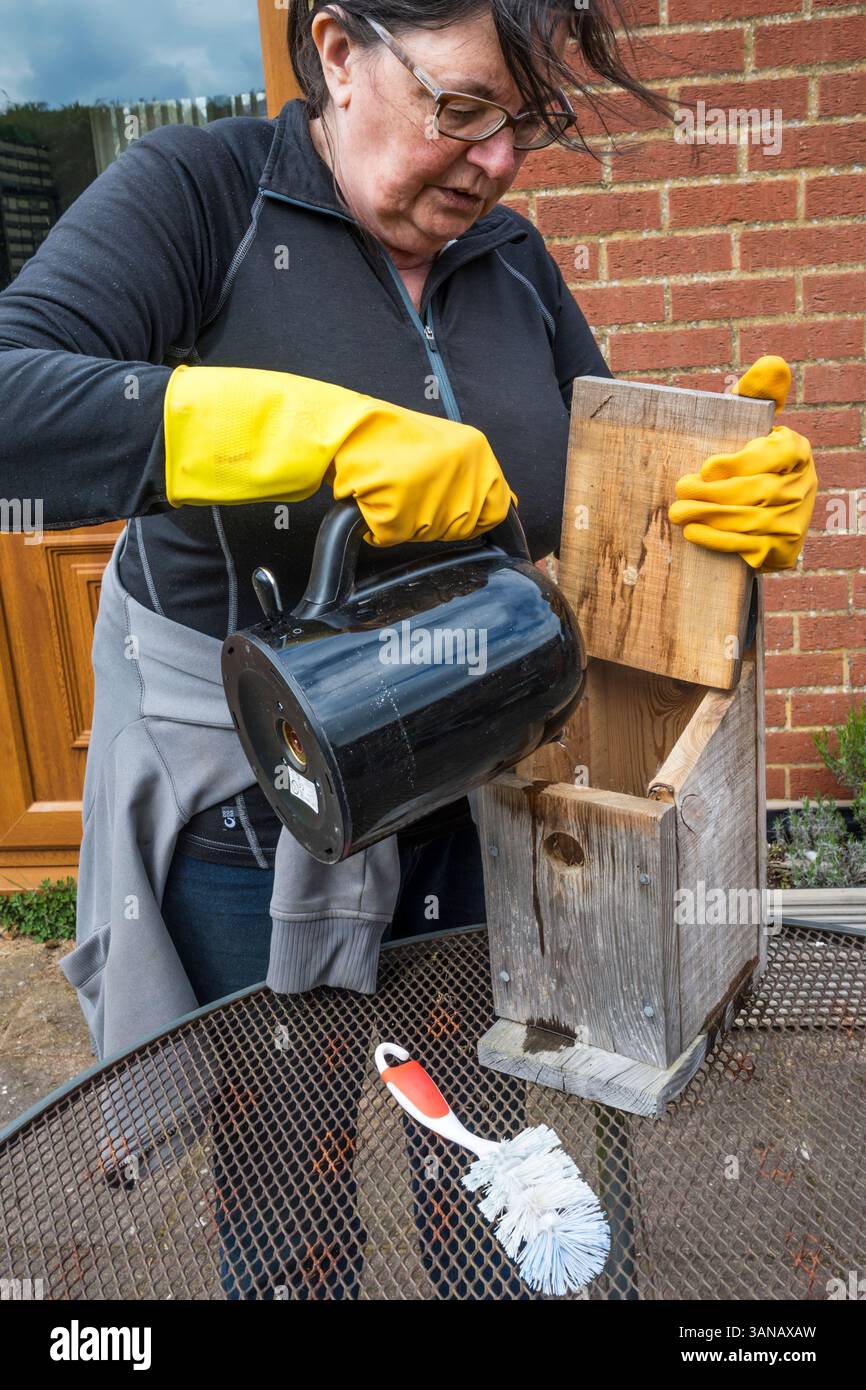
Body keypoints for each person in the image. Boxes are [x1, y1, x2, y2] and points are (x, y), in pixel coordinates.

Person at [0, 0, 817, 1298]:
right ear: (335, 49)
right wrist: (299, 429)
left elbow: (582, 507)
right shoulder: (199, 196)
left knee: (491, 1161)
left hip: (471, 771)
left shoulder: (510, 261)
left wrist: (699, 513)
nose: (495, 163)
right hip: (258, 803)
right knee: (287, 1174)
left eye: (525, 125)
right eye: (463, 109)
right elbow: (12, 396)